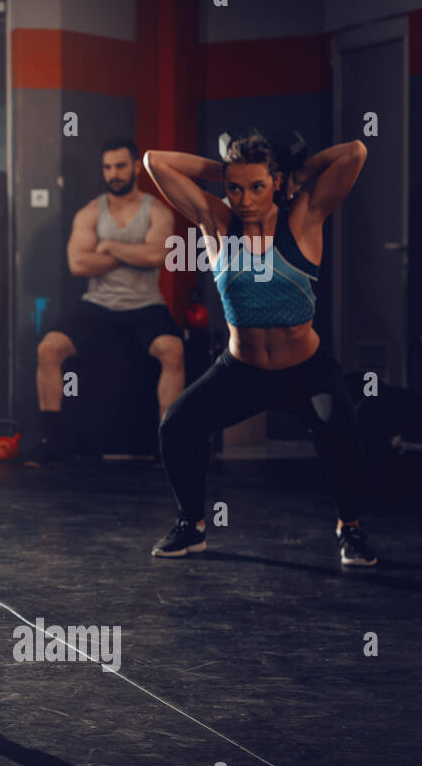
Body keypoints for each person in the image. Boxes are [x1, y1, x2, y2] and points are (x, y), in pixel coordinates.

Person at [143, 132, 377, 566]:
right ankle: (191, 525)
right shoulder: (215, 222)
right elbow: (155, 160)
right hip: (241, 371)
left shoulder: (304, 217)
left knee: (342, 429)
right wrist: (226, 170)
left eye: (256, 186)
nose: (244, 199)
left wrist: (296, 176)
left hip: (305, 370)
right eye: (234, 187)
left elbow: (355, 152)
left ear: (276, 183)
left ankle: (351, 528)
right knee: (176, 426)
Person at [26, 138, 181, 465]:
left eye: (121, 166)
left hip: (145, 304)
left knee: (173, 350)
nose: (114, 174)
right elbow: (78, 264)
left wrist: (108, 245)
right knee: (48, 349)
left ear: (136, 166)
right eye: (108, 167)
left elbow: (157, 256)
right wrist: (133, 254)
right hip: (98, 304)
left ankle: (169, 443)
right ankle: (52, 440)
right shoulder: (90, 212)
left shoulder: (156, 210)